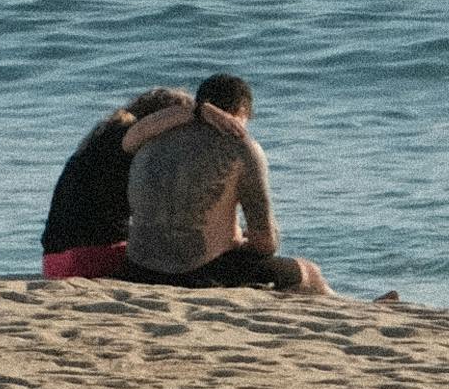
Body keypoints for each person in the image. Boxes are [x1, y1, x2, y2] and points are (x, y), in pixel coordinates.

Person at [121, 71, 330, 297]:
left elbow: (129, 139)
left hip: (138, 268)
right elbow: (265, 243)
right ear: (241, 112)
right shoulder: (242, 148)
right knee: (308, 272)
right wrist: (240, 241)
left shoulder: (150, 137)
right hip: (197, 273)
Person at [39, 86, 186, 280]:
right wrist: (196, 111)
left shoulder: (102, 139)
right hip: (89, 260)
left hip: (55, 263)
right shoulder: (122, 136)